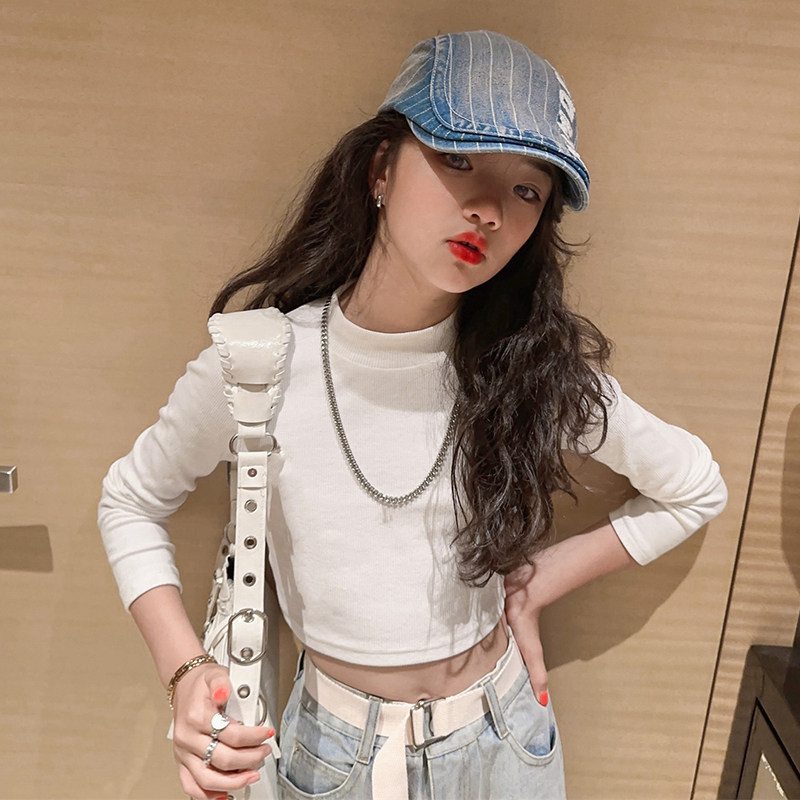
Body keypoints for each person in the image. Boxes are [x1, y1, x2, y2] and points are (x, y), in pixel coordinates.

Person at [98, 30, 728, 800]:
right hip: (335, 758)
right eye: (458, 158)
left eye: (527, 191)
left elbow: (696, 487)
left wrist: (534, 584)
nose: (488, 209)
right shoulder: (260, 363)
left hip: (507, 741)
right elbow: (130, 501)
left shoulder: (529, 372)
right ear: (380, 169)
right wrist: (187, 670)